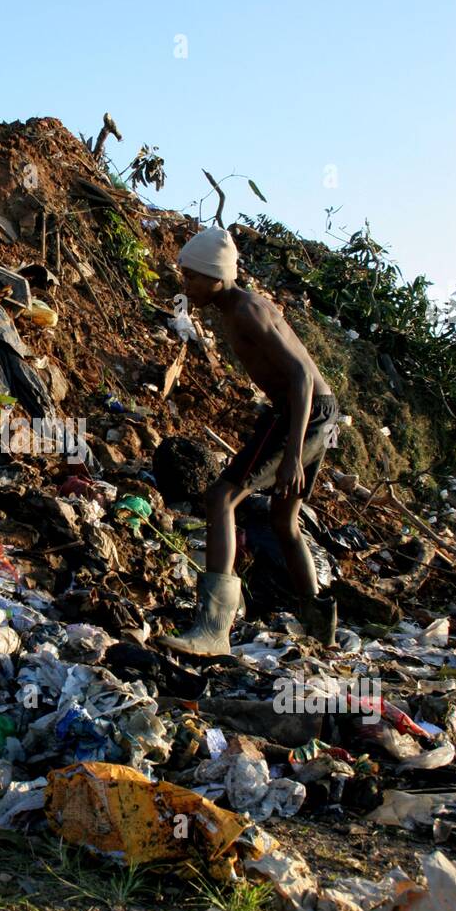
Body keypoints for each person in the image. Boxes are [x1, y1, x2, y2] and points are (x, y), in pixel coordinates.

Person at [164, 225, 339, 657]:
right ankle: (320, 624)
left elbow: (301, 377)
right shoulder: (237, 307)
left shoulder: (246, 310)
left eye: (192, 277)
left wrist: (292, 455)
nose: (187, 285)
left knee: (221, 498)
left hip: (302, 412)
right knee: (284, 520)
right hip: (316, 412)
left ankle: (213, 629)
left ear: (216, 276)